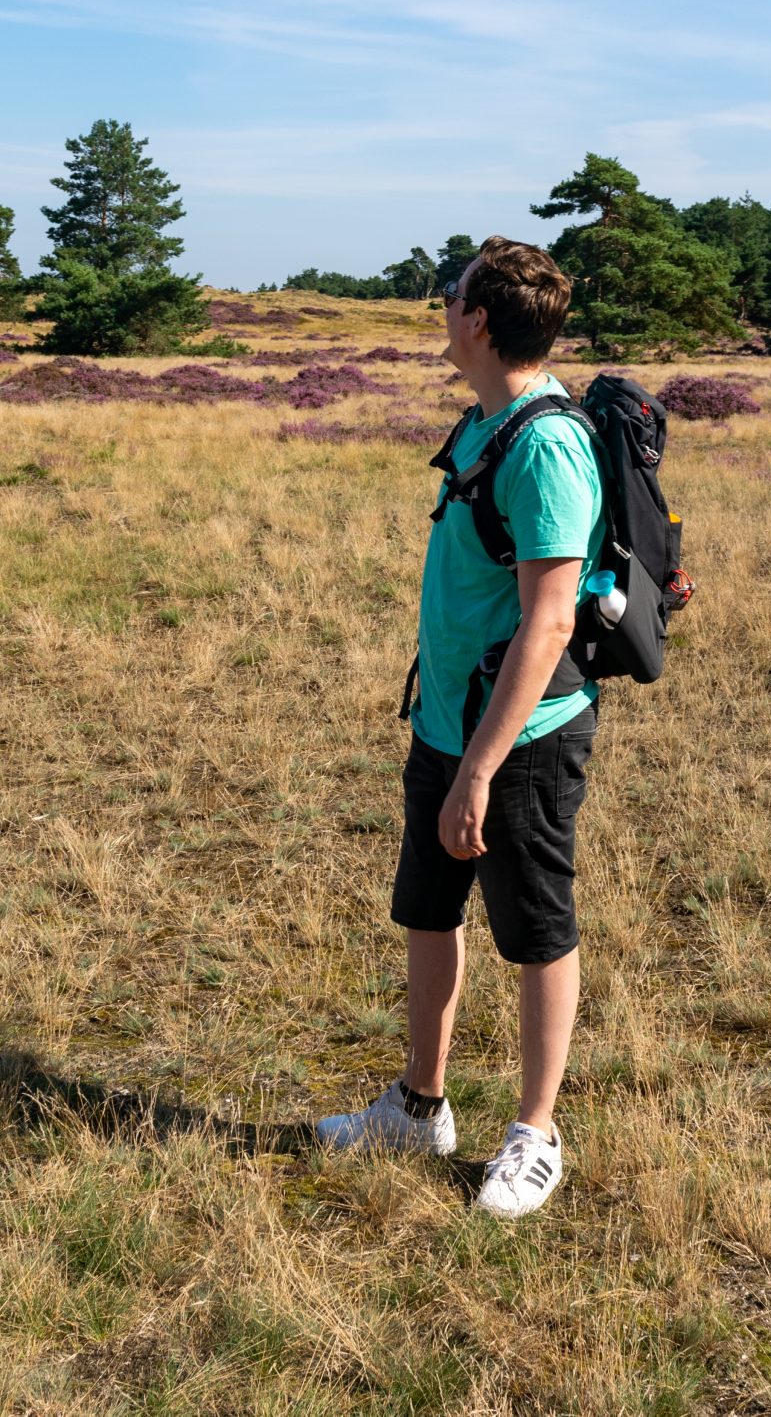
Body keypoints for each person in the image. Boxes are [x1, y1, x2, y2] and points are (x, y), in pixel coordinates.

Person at [314, 235, 604, 1220]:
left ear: (480, 321)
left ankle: (535, 1132)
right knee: (428, 912)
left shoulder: (546, 444)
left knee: (535, 931)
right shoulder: (483, 425)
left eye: (453, 296)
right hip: (447, 725)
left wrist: (479, 769)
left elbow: (551, 619)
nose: (442, 307)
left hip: (515, 744)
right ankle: (417, 1105)